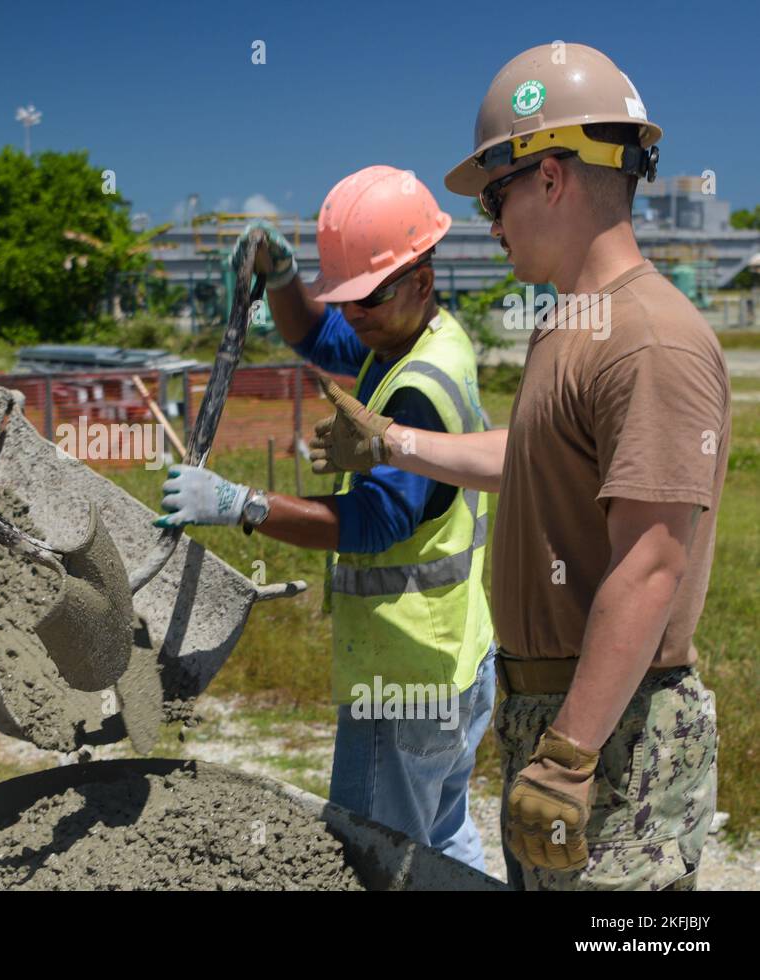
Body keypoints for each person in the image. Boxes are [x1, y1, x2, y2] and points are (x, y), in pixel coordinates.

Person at [316, 44, 725, 890]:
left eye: (495, 196)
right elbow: (533, 460)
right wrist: (395, 443)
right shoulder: (570, 323)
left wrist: (572, 756)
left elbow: (651, 564)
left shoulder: (649, 337)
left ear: (550, 178)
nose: (490, 224)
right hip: (559, 708)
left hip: (613, 727)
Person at [156, 166, 495, 869]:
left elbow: (369, 522)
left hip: (405, 678)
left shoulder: (418, 393)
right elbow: (316, 335)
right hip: (457, 656)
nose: (355, 315)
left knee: (377, 858)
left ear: (421, 282)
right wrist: (282, 278)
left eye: (365, 299)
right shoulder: (410, 336)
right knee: (442, 838)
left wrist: (241, 504)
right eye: (349, 297)